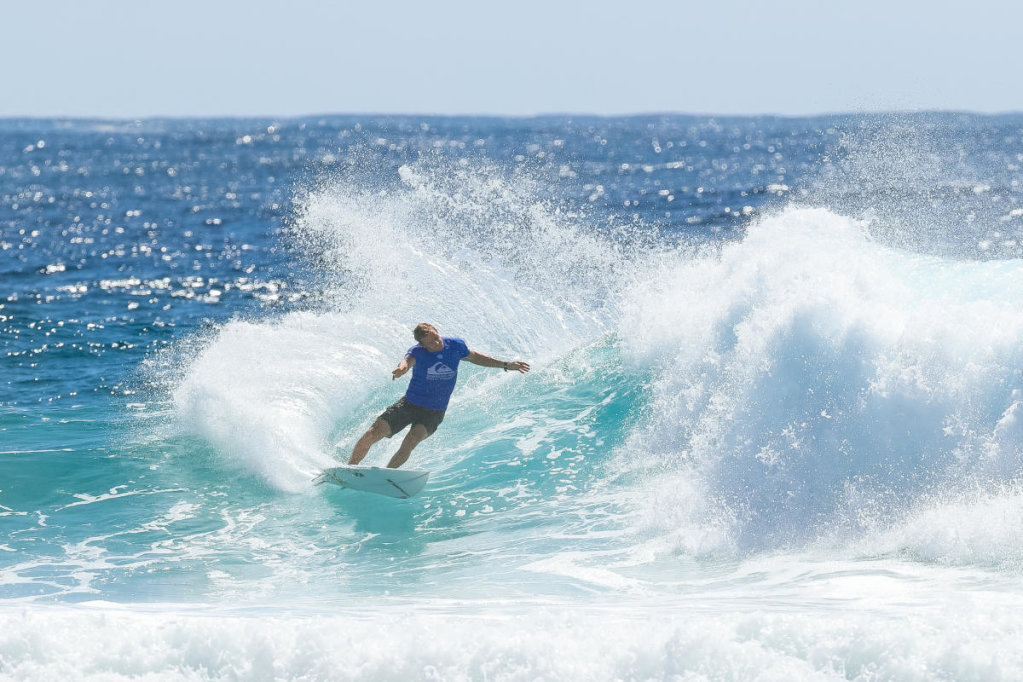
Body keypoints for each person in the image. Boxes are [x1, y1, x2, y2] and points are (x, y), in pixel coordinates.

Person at [349, 323, 530, 469]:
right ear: (423, 345)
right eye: (431, 343)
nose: (437, 343)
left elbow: (476, 357)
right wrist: (401, 369)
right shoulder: (417, 352)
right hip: (409, 405)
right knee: (373, 432)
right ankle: (350, 469)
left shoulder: (455, 345)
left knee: (410, 441)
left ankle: (388, 475)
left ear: (437, 331)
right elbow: (407, 361)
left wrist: (506, 365)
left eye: (436, 337)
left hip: (434, 412)